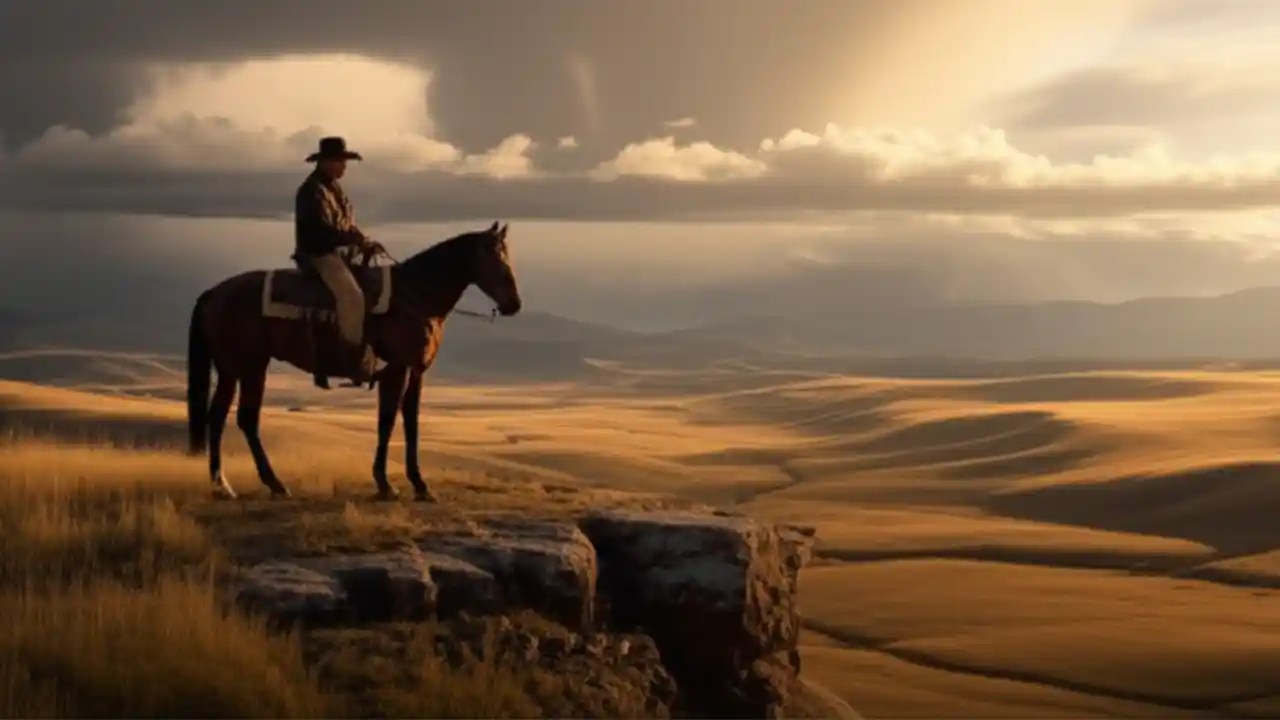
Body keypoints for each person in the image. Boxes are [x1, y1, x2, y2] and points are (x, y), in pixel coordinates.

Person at [293, 136, 383, 388]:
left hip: (338, 253)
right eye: (340, 161)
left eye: (344, 161)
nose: (344, 166)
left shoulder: (334, 190)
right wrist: (354, 239)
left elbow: (346, 225)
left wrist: (363, 240)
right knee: (352, 296)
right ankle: (352, 360)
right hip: (318, 255)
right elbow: (321, 232)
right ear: (326, 162)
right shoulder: (312, 191)